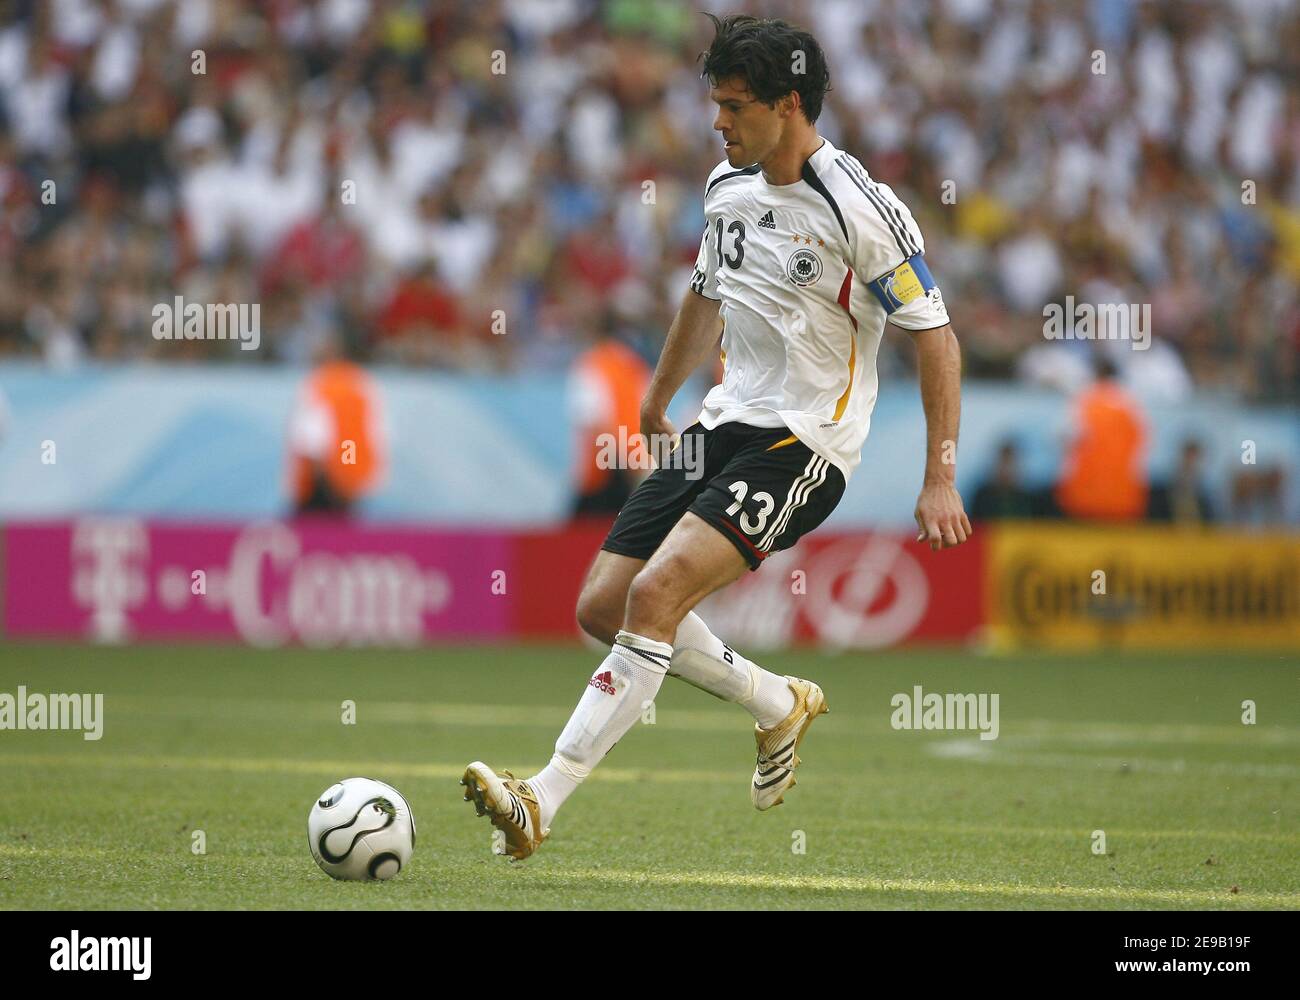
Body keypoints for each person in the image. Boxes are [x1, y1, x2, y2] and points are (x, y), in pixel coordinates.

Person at [462, 13, 971, 859]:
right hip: (720, 421)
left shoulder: (860, 207)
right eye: (716, 103)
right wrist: (659, 401)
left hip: (804, 442)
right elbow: (706, 293)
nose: (718, 121)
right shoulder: (725, 187)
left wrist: (939, 474)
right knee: (600, 604)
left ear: (788, 104)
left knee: (656, 598)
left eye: (735, 106)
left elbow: (937, 337)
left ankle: (540, 797)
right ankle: (776, 703)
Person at [1055, 355, 1148, 521]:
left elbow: (1066, 439)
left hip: (1084, 496)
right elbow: (1142, 448)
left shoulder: (1084, 401)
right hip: (1124, 496)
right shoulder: (1132, 404)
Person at [1148, 438, 1215, 524]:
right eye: (1188, 460)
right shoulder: (1158, 494)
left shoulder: (1205, 499)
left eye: (1195, 462)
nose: (1191, 466)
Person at [970, 439, 1039, 520]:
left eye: (1011, 464)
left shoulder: (1028, 498)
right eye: (1004, 463)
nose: (1007, 470)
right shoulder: (982, 497)